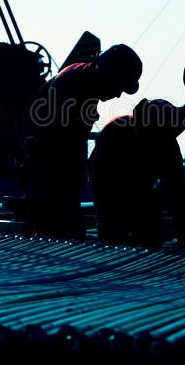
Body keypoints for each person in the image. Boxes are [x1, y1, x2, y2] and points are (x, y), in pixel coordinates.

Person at [89, 55, 185, 249]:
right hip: (112, 188)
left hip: (140, 191)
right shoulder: (114, 136)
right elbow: (102, 186)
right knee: (114, 237)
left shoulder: (163, 140)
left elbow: (178, 192)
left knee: (150, 236)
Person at [22, 43, 142, 239]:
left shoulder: (86, 84)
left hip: (55, 164)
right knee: (55, 230)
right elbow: (54, 145)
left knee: (67, 228)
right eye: (118, 86)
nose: (118, 94)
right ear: (107, 76)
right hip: (47, 166)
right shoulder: (69, 87)